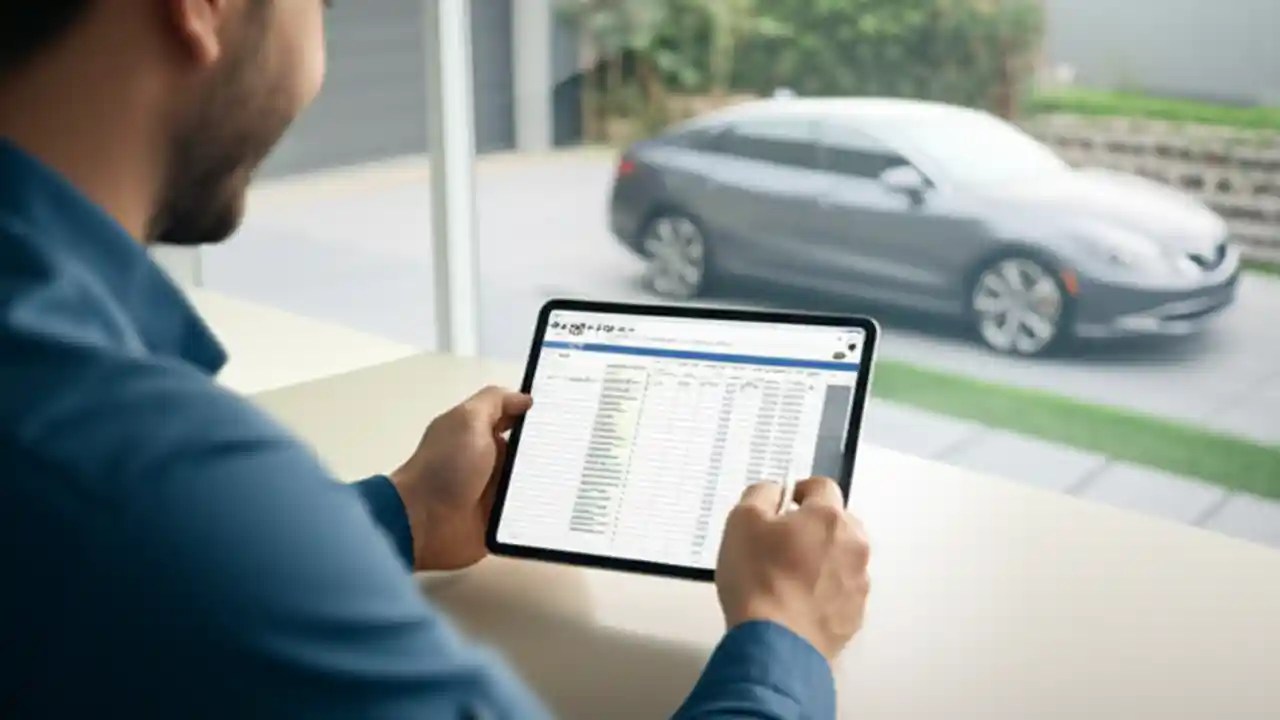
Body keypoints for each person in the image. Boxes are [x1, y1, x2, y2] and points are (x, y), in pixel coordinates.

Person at [0, 2, 871, 717]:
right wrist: (782, 638)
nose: (319, 57)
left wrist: (405, 512)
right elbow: (161, 542)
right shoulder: (141, 475)